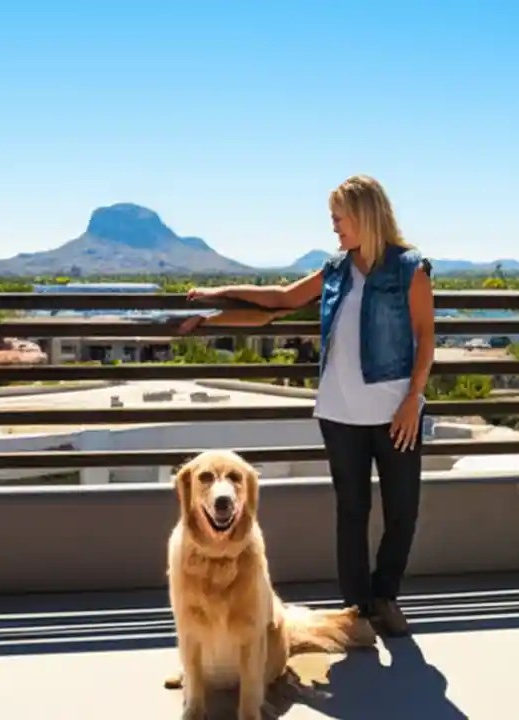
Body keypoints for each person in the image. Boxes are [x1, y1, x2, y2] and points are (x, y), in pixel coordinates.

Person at [179, 174, 435, 636]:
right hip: (339, 414)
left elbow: (426, 339)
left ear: (364, 216)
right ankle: (355, 612)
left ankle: (385, 596)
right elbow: (280, 301)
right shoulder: (335, 269)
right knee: (351, 512)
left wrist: (413, 400)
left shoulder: (410, 268)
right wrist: (213, 306)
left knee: (403, 510)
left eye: (339, 218)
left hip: (397, 413)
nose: (334, 227)